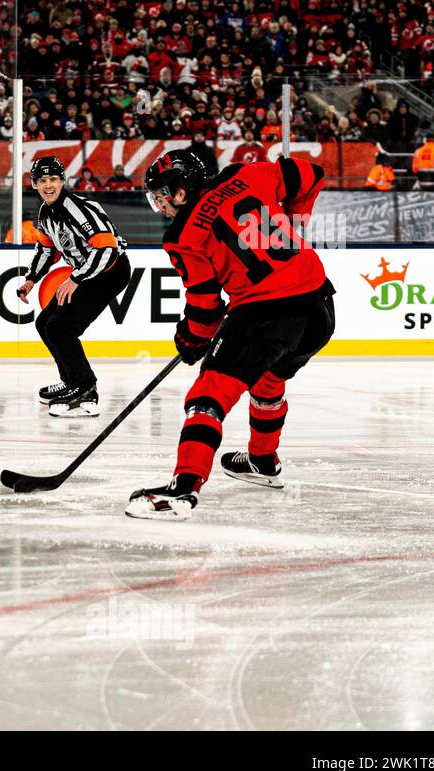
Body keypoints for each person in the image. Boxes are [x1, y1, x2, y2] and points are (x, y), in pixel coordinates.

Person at [126, 149, 336, 520]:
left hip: (265, 313)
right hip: (319, 307)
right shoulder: (248, 174)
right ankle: (262, 460)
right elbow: (312, 173)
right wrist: (293, 220)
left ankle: (183, 490)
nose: (159, 204)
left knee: (208, 395)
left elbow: (205, 306)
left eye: (162, 194)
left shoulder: (183, 238)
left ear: (181, 190)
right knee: (269, 378)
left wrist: (190, 339)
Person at [15, 155, 131, 417]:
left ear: (62, 181)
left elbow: (107, 250)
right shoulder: (45, 212)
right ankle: (70, 381)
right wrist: (32, 278)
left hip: (110, 271)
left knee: (61, 327)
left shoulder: (80, 208)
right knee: (45, 323)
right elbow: (47, 249)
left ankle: (85, 387)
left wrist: (76, 279)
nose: (48, 185)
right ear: (34, 183)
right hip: (86, 272)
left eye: (53, 179)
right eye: (43, 180)